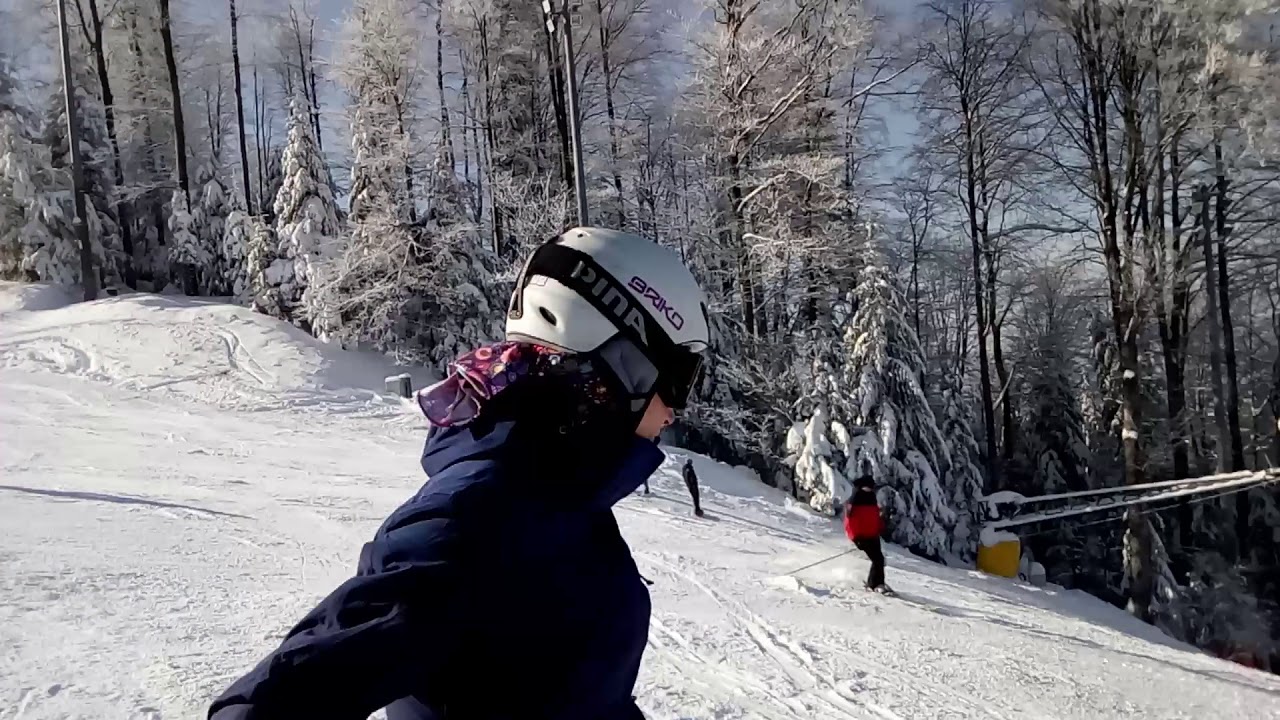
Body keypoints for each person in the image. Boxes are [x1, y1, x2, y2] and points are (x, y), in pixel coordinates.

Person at [207, 227, 710, 720]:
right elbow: (278, 698)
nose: (676, 412)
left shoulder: (560, 491)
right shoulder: (475, 518)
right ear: (622, 363)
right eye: (681, 380)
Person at [844, 474, 890, 593]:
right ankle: (875, 584)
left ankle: (878, 583)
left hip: (873, 535)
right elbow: (850, 521)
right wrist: (855, 537)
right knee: (877, 559)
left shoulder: (871, 497)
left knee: (879, 559)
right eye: (869, 487)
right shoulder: (854, 499)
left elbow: (873, 516)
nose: (871, 489)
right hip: (862, 537)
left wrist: (881, 526)